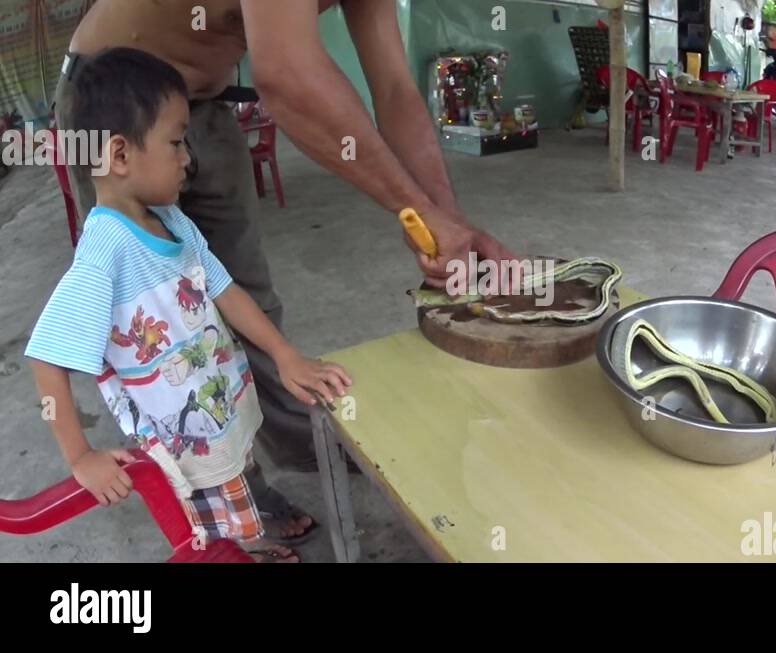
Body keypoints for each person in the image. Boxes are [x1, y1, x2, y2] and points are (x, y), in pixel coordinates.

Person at [53, 0, 517, 540]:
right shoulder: (108, 241)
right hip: (117, 113)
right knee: (154, 340)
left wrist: (445, 226)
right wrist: (79, 452)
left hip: (198, 107)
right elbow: (287, 74)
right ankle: (215, 514)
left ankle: (287, 452)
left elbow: (394, 90)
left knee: (239, 300)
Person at [27, 48, 352, 563]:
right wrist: (80, 455)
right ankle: (242, 552)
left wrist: (284, 354)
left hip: (218, 409)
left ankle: (251, 541)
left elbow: (225, 290)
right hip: (184, 447)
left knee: (238, 482)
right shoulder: (106, 252)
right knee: (213, 533)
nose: (187, 158)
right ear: (118, 155)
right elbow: (47, 357)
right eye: (176, 142)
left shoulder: (172, 221)